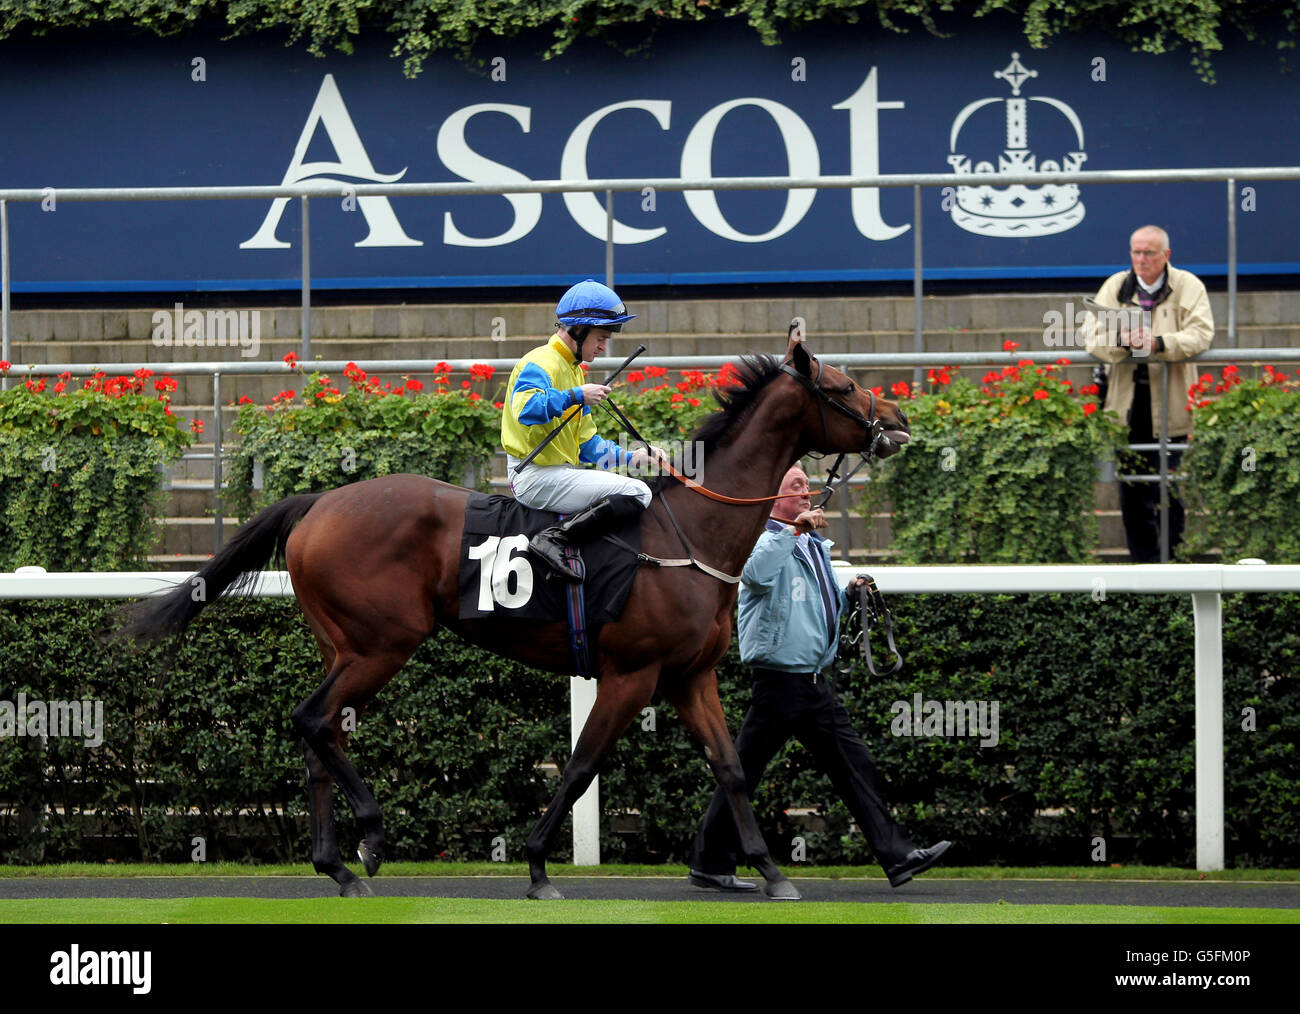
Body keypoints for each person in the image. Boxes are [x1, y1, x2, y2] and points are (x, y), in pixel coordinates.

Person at [687, 465, 952, 892]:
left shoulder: (812, 543)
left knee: (852, 765)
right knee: (743, 773)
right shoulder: (763, 536)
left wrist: (849, 595)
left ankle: (897, 857)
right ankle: (710, 862)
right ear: (773, 500)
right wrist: (792, 532)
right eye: (796, 488)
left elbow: (818, 607)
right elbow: (755, 576)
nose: (807, 494)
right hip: (779, 681)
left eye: (807, 486)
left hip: (812, 682)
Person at [502, 278, 667, 581]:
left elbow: (587, 444)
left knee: (633, 482)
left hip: (556, 473)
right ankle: (554, 539)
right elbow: (525, 410)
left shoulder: (575, 370)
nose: (604, 346)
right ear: (578, 330)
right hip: (534, 476)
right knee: (638, 492)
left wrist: (633, 458)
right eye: (601, 337)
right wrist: (576, 396)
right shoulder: (540, 362)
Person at [1082, 225, 1214, 562]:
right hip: (1127, 404)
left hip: (1172, 403)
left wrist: (1158, 343)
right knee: (1132, 489)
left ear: (1166, 255)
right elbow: (1092, 336)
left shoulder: (1188, 285)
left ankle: (1174, 563)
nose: (1141, 260)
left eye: (1149, 253)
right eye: (1136, 252)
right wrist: (1124, 342)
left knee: (1165, 485)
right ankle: (1144, 569)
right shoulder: (1115, 285)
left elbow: (1201, 334)